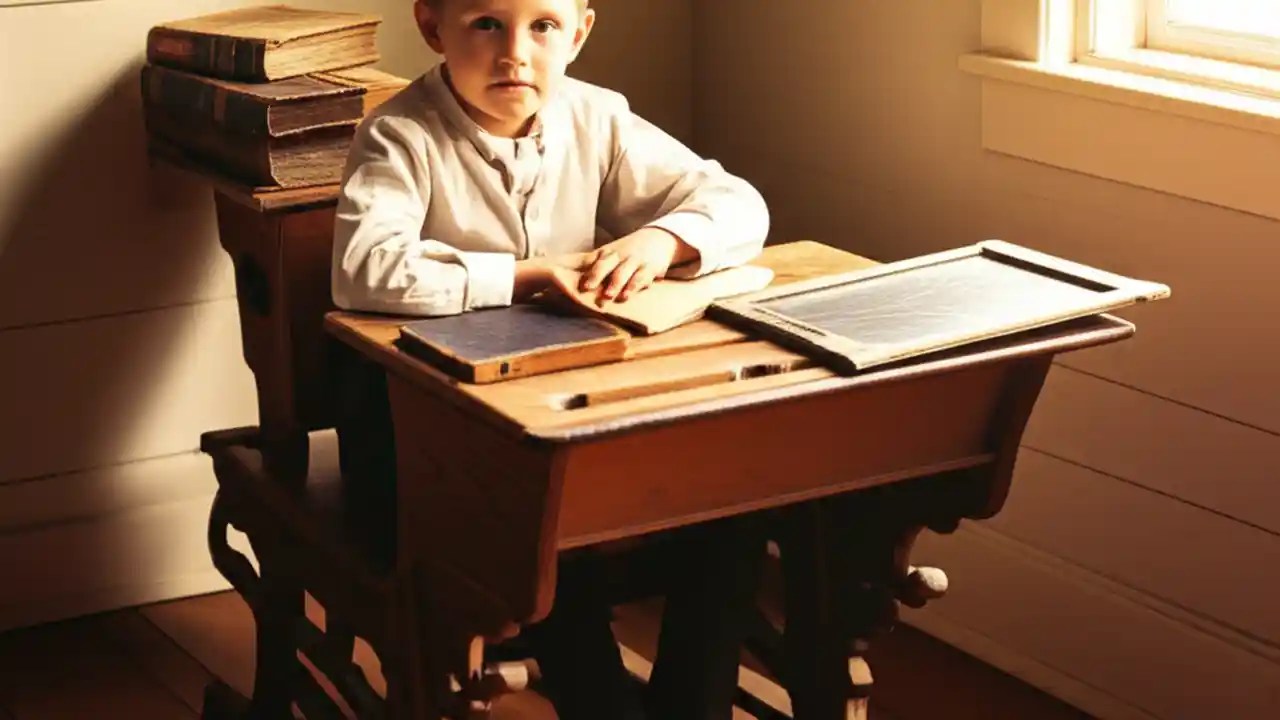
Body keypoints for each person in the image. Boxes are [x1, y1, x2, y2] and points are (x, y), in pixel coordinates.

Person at [331, 1, 770, 718]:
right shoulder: (402, 134)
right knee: (545, 533)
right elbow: (365, 269)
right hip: (421, 435)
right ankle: (599, 701)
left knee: (732, 512)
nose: (515, 53)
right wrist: (528, 275)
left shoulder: (596, 118)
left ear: (580, 32)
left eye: (542, 26)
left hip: (558, 410)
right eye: (485, 24)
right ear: (432, 26)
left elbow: (737, 202)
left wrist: (663, 240)